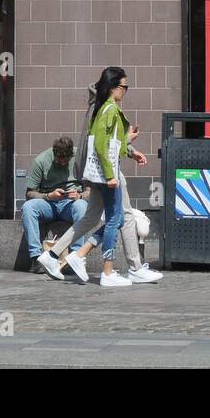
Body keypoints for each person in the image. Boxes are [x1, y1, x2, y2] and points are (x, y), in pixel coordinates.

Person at [52, 67, 147, 288]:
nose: (125, 92)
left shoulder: (100, 108)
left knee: (114, 219)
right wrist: (110, 175)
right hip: (107, 174)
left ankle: (80, 256)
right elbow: (102, 146)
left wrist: (128, 146)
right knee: (116, 219)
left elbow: (109, 144)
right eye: (125, 87)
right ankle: (108, 270)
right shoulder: (108, 109)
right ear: (114, 86)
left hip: (104, 173)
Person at [23, 137, 89, 271]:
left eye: (66, 160)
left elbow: (90, 190)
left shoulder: (80, 159)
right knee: (28, 207)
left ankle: (76, 257)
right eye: (59, 160)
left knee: (81, 206)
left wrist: (80, 195)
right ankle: (36, 258)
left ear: (71, 155)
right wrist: (48, 196)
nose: (63, 163)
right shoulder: (41, 160)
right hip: (49, 203)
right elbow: (29, 193)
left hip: (71, 204)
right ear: (54, 153)